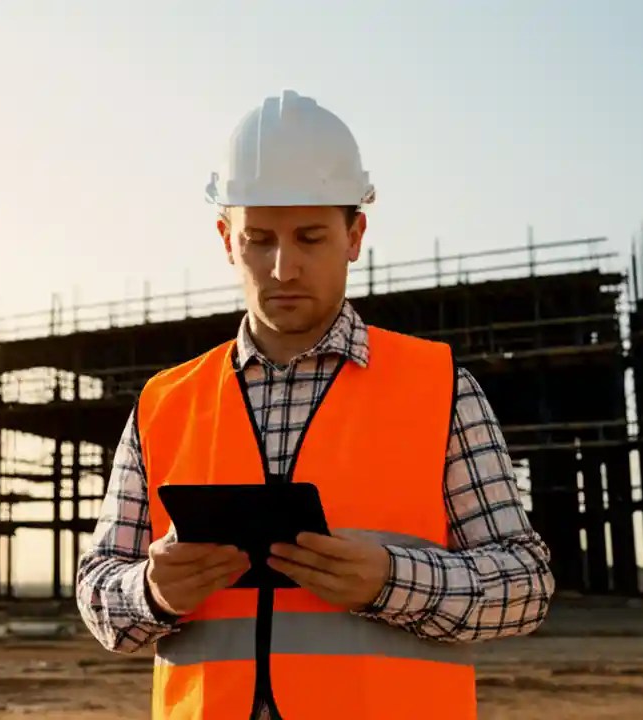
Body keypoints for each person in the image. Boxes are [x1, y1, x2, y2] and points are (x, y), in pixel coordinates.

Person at [76, 89, 554, 720]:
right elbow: (99, 590)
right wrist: (151, 590)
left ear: (354, 235)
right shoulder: (167, 401)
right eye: (259, 240)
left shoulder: (439, 386)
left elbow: (525, 586)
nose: (283, 269)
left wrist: (390, 581)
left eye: (309, 237)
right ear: (226, 239)